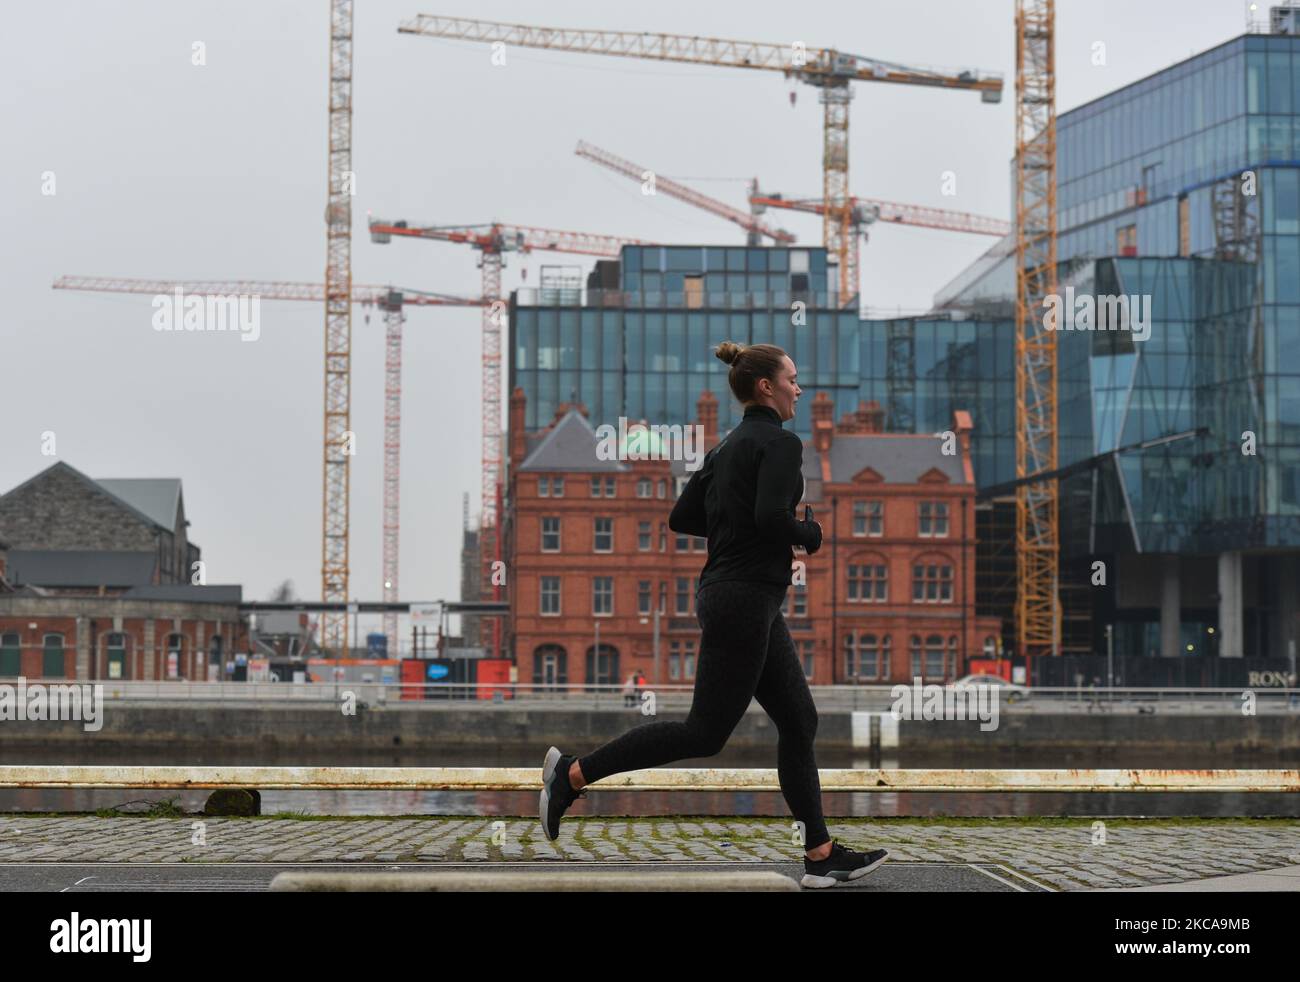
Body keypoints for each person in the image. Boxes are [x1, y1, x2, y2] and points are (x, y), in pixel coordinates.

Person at [539, 340, 888, 888]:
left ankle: (820, 856)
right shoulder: (781, 444)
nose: (801, 388)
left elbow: (682, 517)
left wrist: (733, 529)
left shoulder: (724, 451)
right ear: (766, 387)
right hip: (744, 598)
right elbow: (773, 518)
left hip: (743, 597)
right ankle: (573, 774)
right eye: (793, 379)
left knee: (800, 720)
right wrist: (809, 534)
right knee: (704, 732)